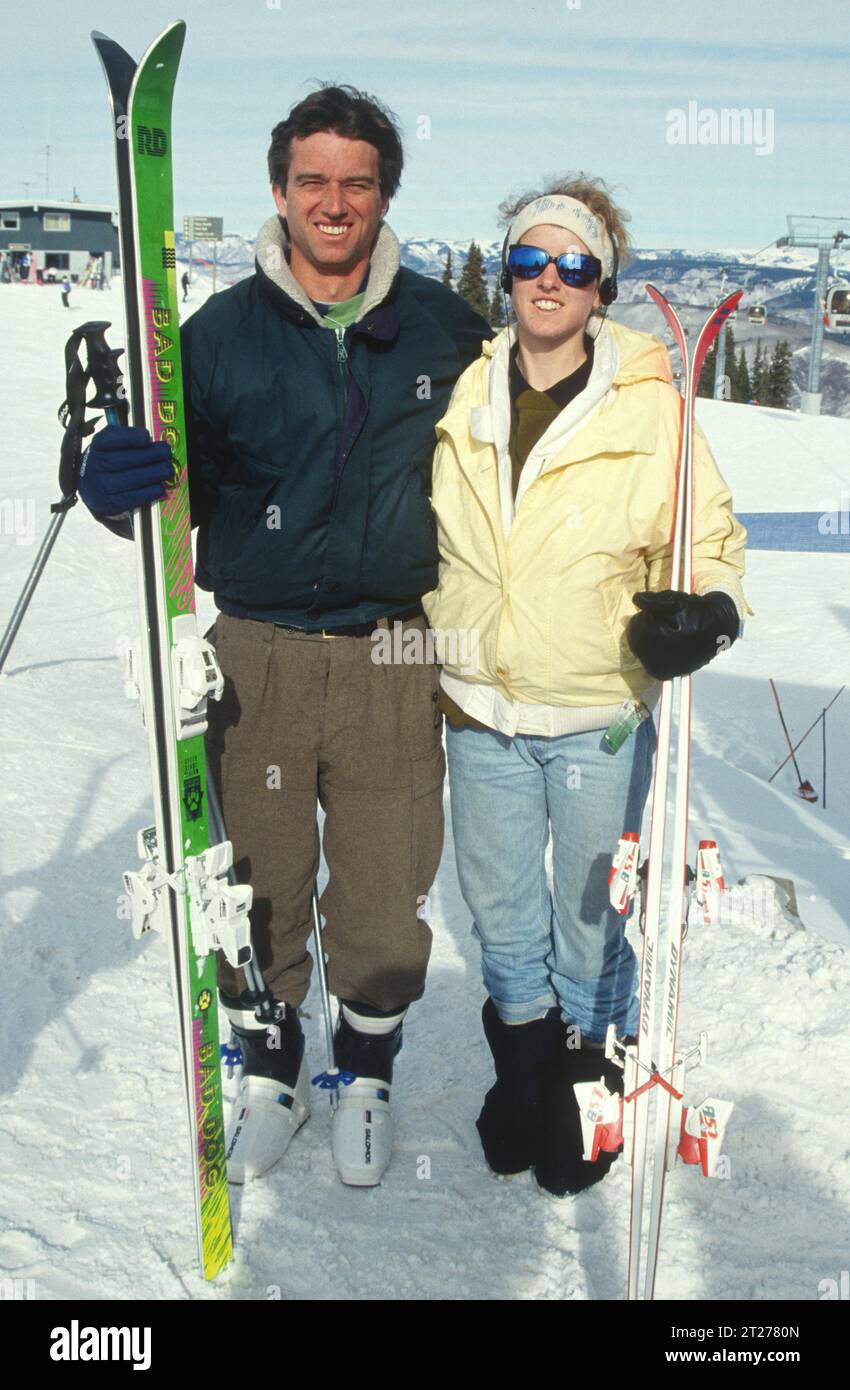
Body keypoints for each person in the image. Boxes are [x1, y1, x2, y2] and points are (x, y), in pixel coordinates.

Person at [77, 84, 490, 1189]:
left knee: (389, 884)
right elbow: (167, 496)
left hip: (392, 647)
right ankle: (269, 1066)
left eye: (357, 181)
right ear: (278, 191)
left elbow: (519, 471)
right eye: (313, 179)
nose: (334, 201)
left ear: (385, 194)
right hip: (252, 644)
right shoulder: (213, 338)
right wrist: (114, 486)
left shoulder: (449, 330)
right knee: (250, 875)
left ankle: (364, 1075)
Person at [422, 179, 749, 1198]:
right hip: (479, 704)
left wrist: (708, 608)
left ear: (602, 279)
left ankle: (585, 1076)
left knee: (589, 912)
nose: (547, 280)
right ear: (507, 271)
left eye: (572, 263)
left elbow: (705, 541)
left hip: (597, 710)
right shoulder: (465, 390)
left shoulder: (650, 408)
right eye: (528, 260)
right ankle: (525, 1074)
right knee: (500, 907)